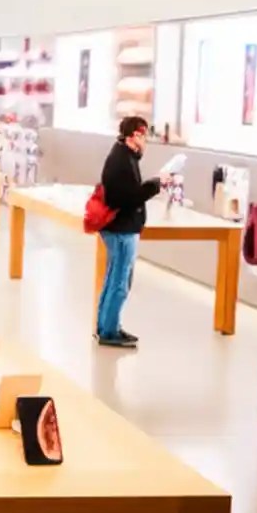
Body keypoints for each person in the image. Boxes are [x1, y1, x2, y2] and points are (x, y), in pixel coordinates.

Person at [95, 116, 166, 348]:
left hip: (121, 228)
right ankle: (109, 331)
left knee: (114, 278)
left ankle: (107, 326)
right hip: (121, 230)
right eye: (144, 135)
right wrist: (155, 185)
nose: (146, 141)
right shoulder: (122, 161)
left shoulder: (124, 157)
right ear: (135, 136)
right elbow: (126, 197)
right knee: (120, 282)